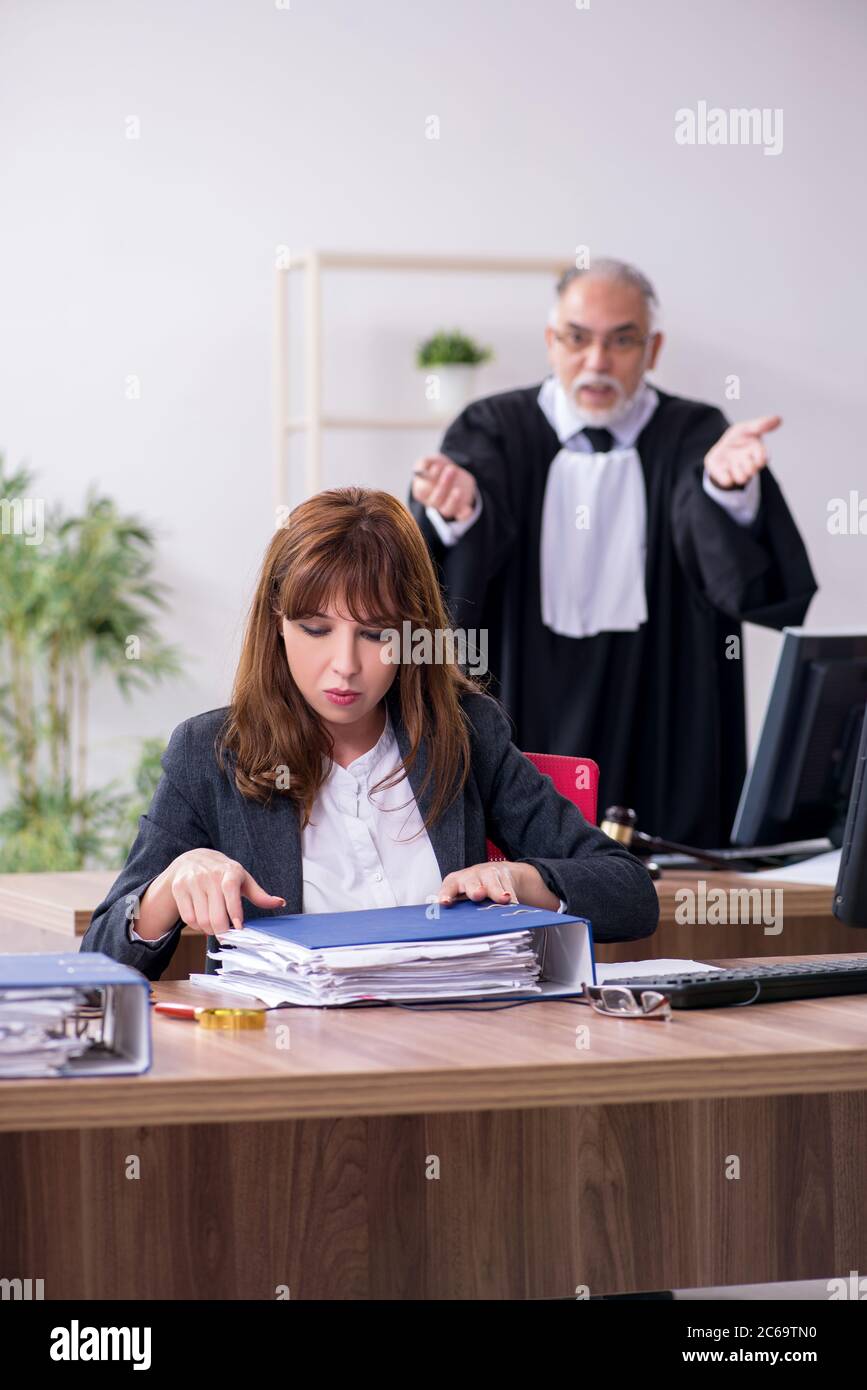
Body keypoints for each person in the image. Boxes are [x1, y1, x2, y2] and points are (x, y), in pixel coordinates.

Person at [82, 487, 659, 981]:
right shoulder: (210, 754)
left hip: (457, 1053)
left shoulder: (464, 732)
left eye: (376, 634)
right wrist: (168, 889)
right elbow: (100, 959)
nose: (344, 666)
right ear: (276, 626)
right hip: (291, 1068)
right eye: (315, 629)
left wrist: (522, 879)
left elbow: (630, 894)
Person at [408, 258, 817, 848]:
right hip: (523, 698)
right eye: (578, 338)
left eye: (622, 341)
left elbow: (738, 573)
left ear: (652, 350)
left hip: (663, 704)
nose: (597, 361)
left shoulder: (694, 432)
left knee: (666, 880)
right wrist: (457, 513)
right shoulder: (493, 428)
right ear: (552, 342)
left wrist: (725, 492)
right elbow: (444, 574)